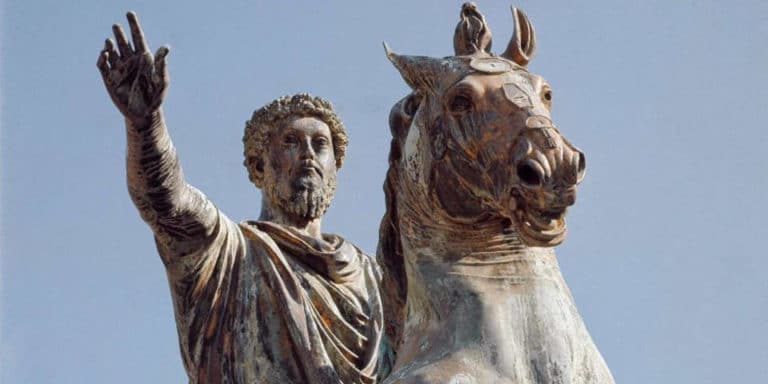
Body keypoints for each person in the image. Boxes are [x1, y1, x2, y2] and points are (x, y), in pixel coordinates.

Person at [97, 12, 383, 384]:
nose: (308, 154)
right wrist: (144, 124)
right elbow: (166, 202)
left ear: (335, 168)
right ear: (258, 165)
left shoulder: (373, 275)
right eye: (291, 142)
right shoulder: (227, 251)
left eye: (320, 144)